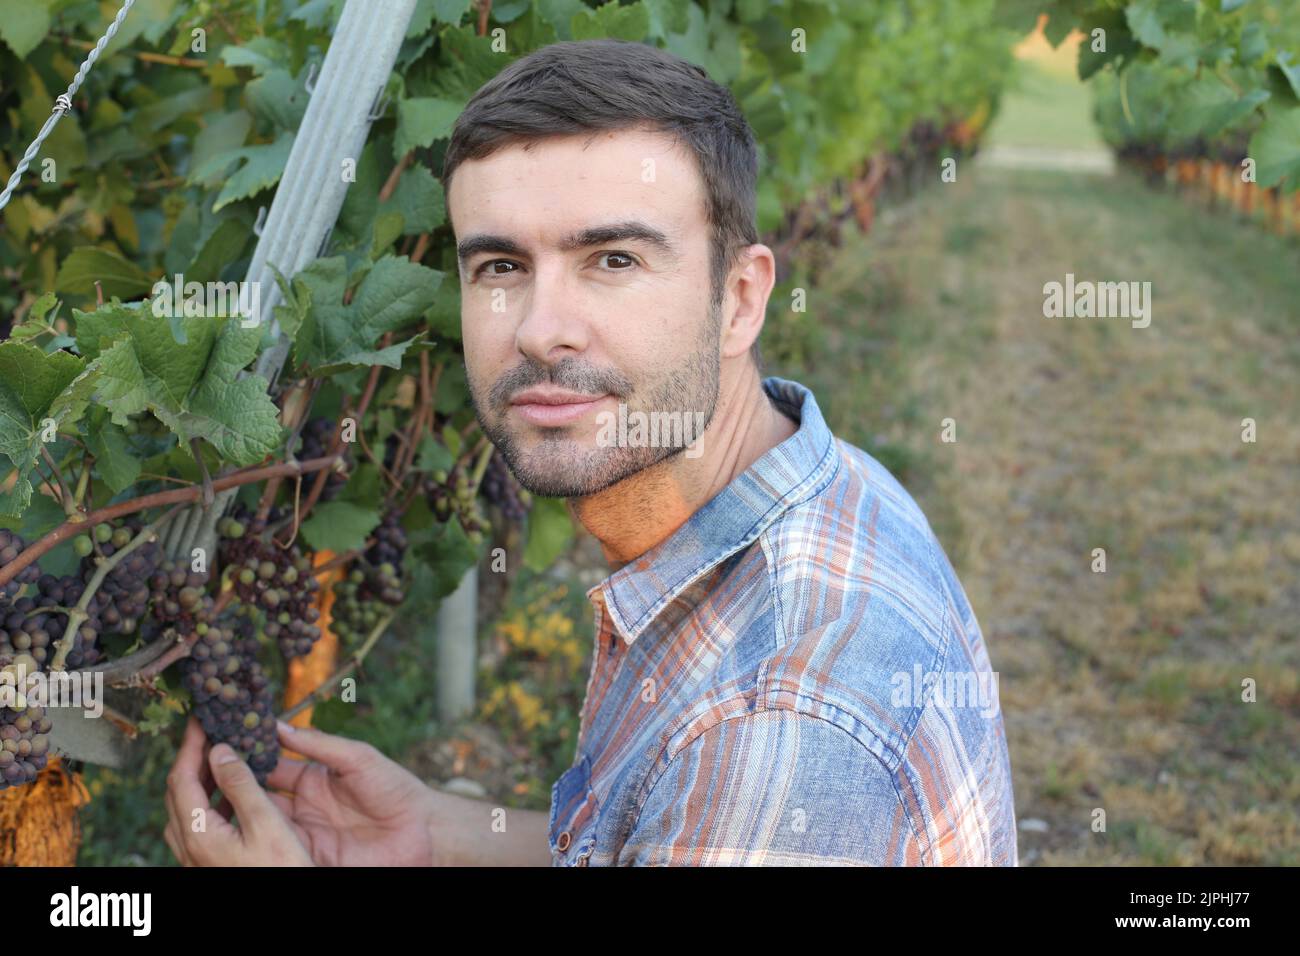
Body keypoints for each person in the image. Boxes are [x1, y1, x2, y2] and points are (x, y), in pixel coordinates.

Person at [165, 39, 1017, 867]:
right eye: (500, 267)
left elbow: (731, 797)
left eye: (613, 259)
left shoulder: (776, 729)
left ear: (741, 298)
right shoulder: (817, 478)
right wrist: (440, 835)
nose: (540, 331)